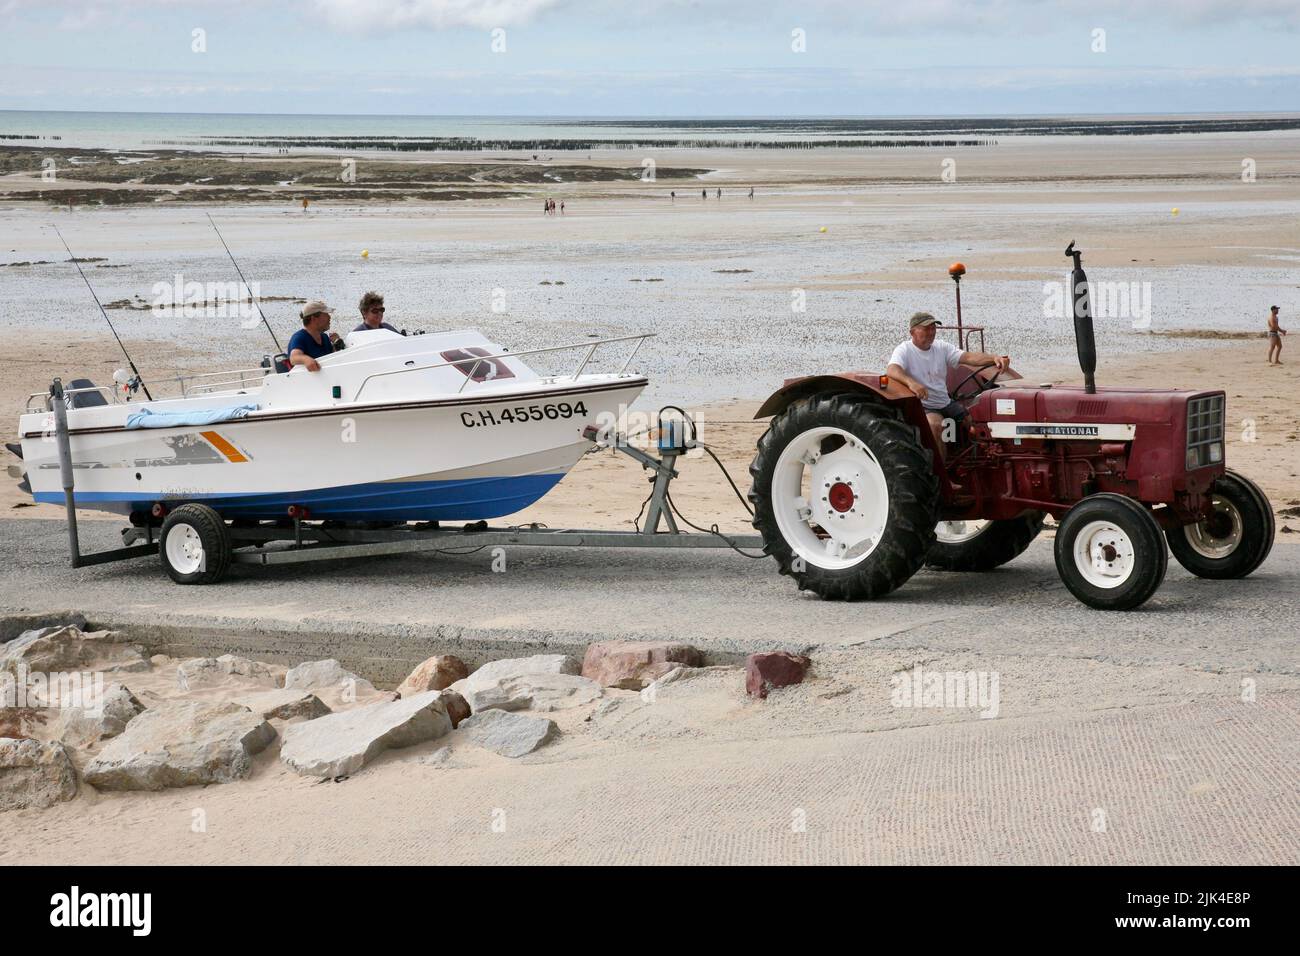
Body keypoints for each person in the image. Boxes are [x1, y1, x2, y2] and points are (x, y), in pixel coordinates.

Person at [886, 312, 1010, 456]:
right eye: (926, 328)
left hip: (944, 402)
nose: (931, 332)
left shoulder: (941, 347)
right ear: (912, 332)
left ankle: (983, 458)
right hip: (925, 406)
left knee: (977, 424)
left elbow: (968, 357)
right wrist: (911, 383)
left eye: (933, 328)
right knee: (935, 425)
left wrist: (994, 358)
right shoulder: (904, 350)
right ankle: (941, 474)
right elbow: (892, 369)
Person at [286, 300, 341, 372]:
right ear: (314, 319)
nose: (329, 317)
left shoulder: (324, 337)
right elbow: (294, 358)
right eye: (326, 314)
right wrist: (306, 360)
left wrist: (337, 343)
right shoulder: (299, 337)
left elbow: (332, 358)